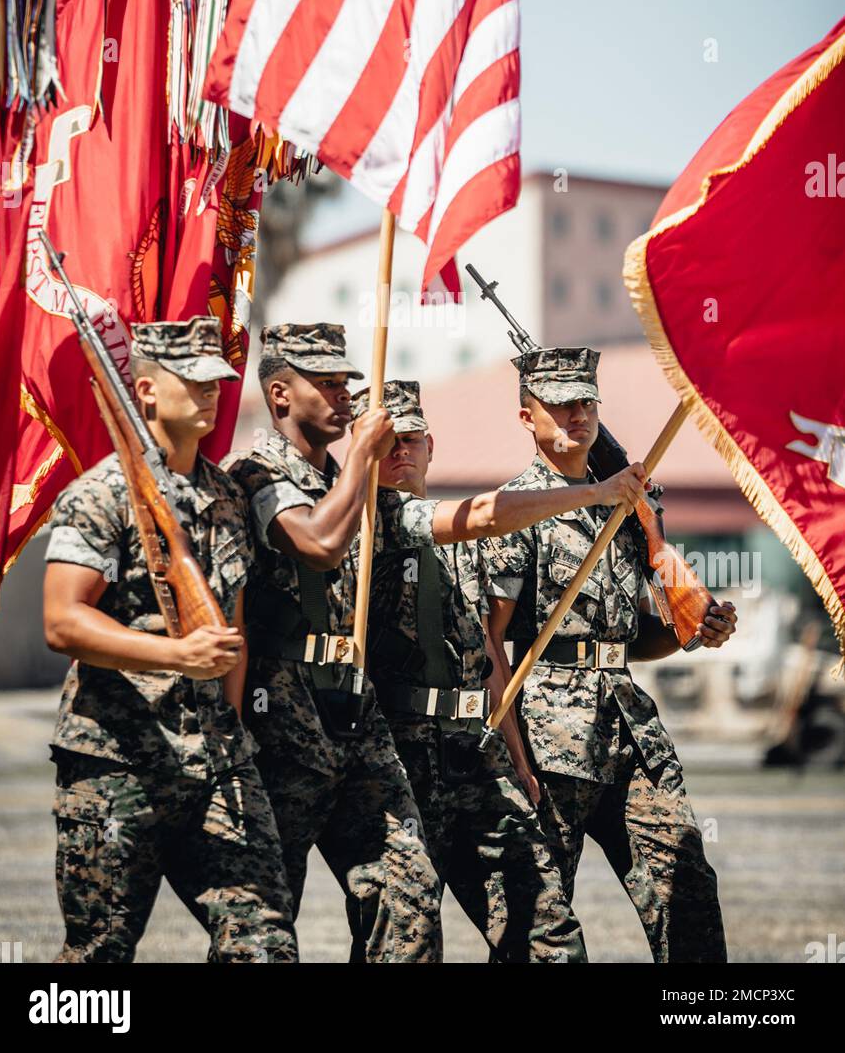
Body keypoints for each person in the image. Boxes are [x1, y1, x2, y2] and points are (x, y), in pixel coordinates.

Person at [223, 324, 646, 963]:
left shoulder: (370, 496)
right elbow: (317, 543)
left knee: (409, 905)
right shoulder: (256, 474)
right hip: (282, 724)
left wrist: (594, 493)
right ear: (279, 395)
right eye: (328, 384)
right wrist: (362, 464)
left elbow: (474, 517)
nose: (345, 397)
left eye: (348, 384)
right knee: (259, 930)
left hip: (357, 724)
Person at [43, 318, 298, 964]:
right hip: (116, 760)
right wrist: (175, 656)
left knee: (264, 945)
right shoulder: (100, 495)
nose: (212, 394)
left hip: (218, 764)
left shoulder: (227, 495)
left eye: (218, 381)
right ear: (149, 391)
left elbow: (231, 622)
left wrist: (233, 728)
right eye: (195, 381)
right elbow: (63, 622)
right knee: (100, 953)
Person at [480, 346, 737, 964]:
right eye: (559, 404)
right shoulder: (517, 508)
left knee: (685, 887)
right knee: (543, 915)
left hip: (627, 725)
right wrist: (512, 751)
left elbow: (630, 637)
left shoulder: (627, 507)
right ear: (527, 418)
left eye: (586, 402)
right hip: (547, 734)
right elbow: (490, 641)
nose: (575, 415)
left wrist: (690, 628)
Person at [350, 379, 586, 963]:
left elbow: (488, 656)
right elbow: (485, 515)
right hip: (397, 753)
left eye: (410, 440)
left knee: (545, 925)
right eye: (384, 444)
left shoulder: (463, 543)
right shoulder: (361, 528)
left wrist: (520, 761)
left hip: (475, 753)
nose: (399, 453)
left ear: (431, 444)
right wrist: (595, 493)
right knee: (405, 932)